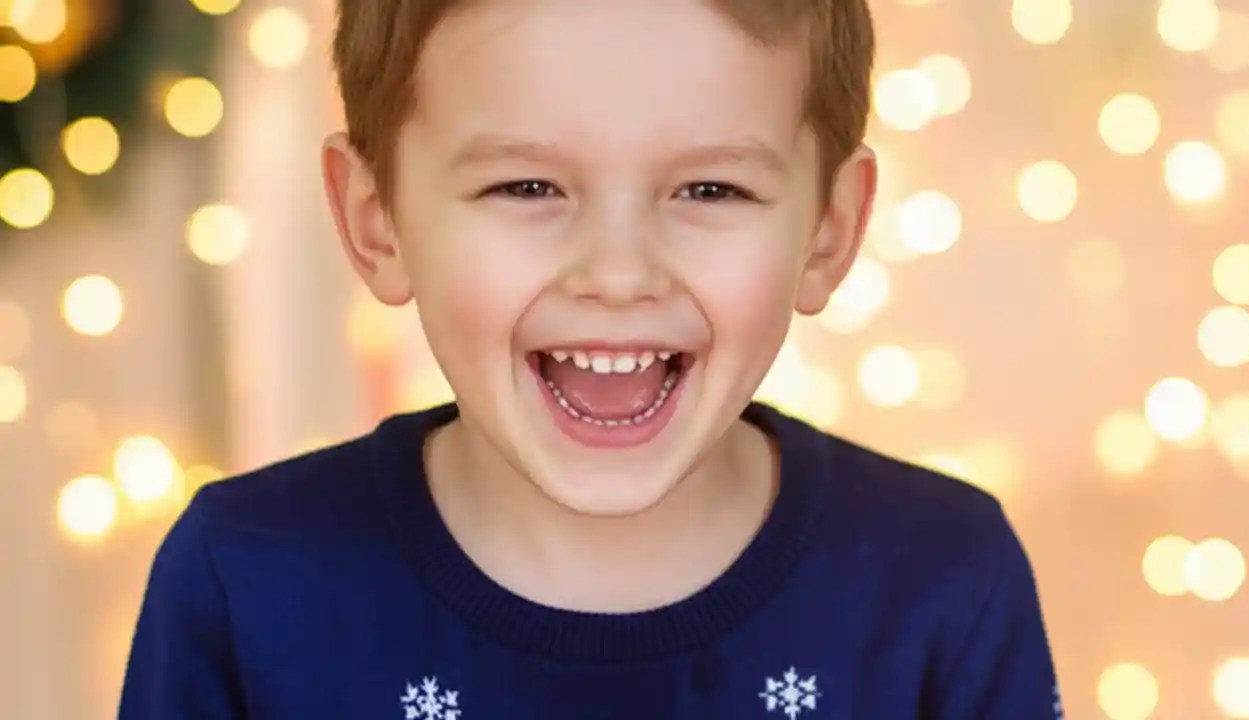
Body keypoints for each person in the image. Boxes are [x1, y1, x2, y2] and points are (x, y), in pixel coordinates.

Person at [120, 0, 1063, 717]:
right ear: (377, 221)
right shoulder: (246, 584)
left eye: (710, 187)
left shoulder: (943, 583)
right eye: (527, 185)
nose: (618, 274)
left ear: (827, 230)